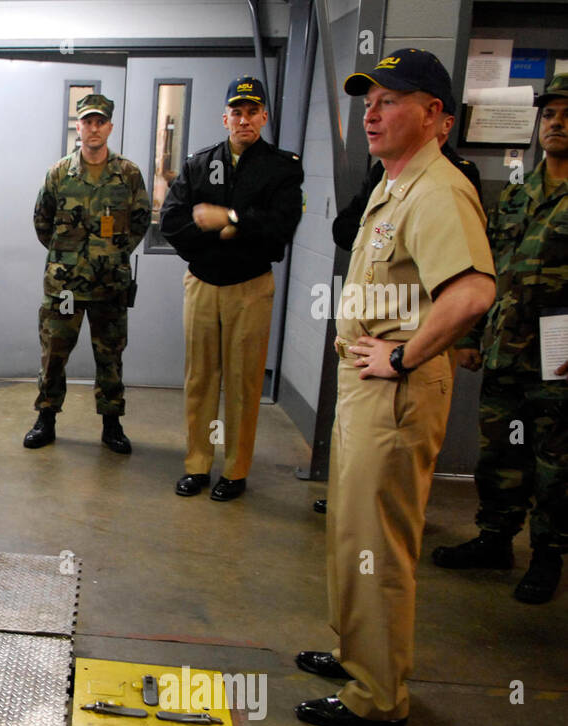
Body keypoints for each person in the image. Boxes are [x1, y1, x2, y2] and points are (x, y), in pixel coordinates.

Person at [295, 49, 496, 726]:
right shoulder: (393, 184)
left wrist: (406, 356)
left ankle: (378, 694)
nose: (371, 113)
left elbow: (472, 291)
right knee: (352, 529)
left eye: (391, 99)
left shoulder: (439, 189)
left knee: (378, 539)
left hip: (396, 392)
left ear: (435, 115)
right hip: (365, 388)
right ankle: (356, 651)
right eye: (367, 99)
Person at [432, 74, 568, 604]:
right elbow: (484, 269)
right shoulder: (518, 194)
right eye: (551, 115)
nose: (556, 124)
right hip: (507, 352)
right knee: (502, 452)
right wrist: (468, 334)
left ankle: (548, 556)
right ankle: (495, 539)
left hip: (559, 363)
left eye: (566, 116)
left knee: (555, 463)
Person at [161, 76, 303, 501]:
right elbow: (173, 222)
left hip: (250, 286)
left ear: (263, 117)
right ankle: (198, 463)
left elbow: (281, 227)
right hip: (203, 283)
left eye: (252, 112)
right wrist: (224, 232)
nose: (244, 120)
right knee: (200, 379)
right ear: (225, 117)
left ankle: (236, 470)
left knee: (243, 383)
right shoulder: (199, 164)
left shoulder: (282, 167)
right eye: (236, 112)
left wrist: (229, 218)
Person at [24, 92, 149, 454]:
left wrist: (112, 254)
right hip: (64, 287)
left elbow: (140, 220)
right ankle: (46, 418)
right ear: (78, 126)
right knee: (54, 354)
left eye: (100, 122)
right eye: (87, 122)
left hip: (109, 284)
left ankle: (112, 424)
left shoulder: (128, 174)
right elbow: (41, 222)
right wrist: (69, 256)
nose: (93, 129)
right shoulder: (59, 173)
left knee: (110, 357)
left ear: (110, 126)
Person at [333, 106, 481, 251]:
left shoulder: (458, 172)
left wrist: (377, 232)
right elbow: (343, 230)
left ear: (446, 125)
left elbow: (444, 243)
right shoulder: (383, 169)